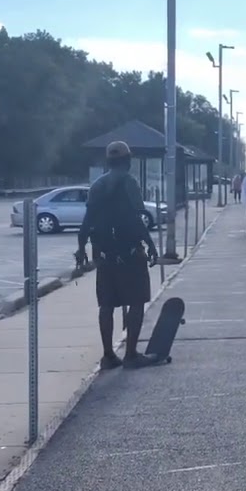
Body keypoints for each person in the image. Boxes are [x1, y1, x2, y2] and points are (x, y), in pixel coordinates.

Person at [76, 141, 162, 370]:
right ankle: (131, 355)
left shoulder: (97, 185)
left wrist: (81, 248)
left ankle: (108, 356)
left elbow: (87, 221)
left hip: (104, 254)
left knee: (106, 304)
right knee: (136, 300)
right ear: (127, 160)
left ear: (108, 161)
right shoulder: (128, 181)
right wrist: (150, 244)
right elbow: (136, 217)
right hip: (130, 253)